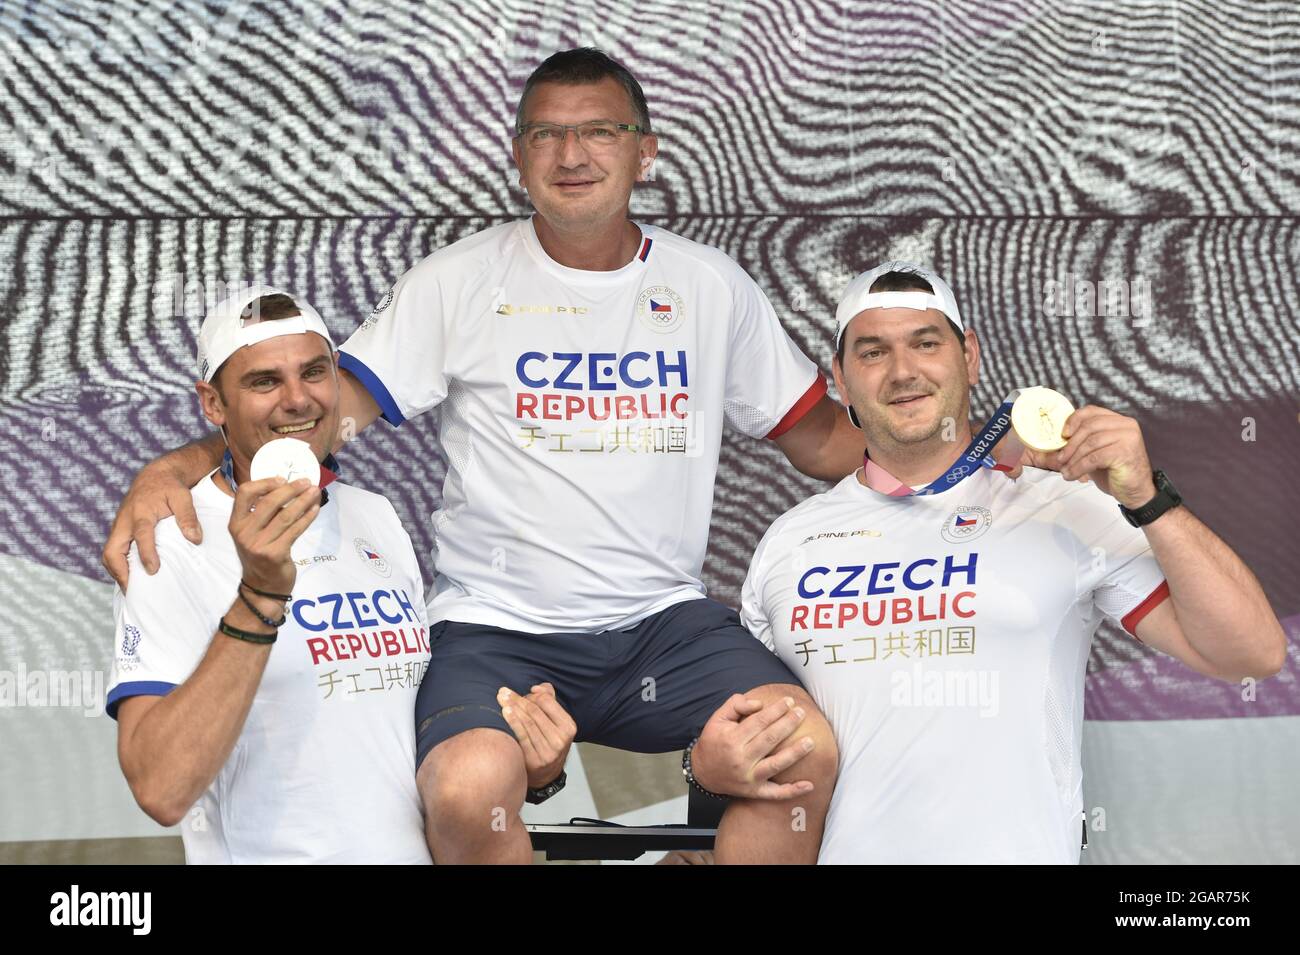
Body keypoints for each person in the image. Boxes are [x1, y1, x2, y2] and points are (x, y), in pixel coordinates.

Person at [101, 49, 866, 864]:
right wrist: (175, 467)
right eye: (546, 135)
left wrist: (974, 453)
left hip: (661, 627)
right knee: (468, 791)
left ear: (646, 151)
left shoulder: (711, 286)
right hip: (498, 627)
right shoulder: (457, 282)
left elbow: (822, 440)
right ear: (517, 154)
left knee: (802, 749)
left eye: (600, 131)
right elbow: (316, 419)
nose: (571, 156)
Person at [740, 261, 1288, 863]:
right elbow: (754, 752)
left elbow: (1251, 654)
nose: (903, 371)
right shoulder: (788, 544)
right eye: (872, 353)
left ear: (969, 356)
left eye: (926, 343)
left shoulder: (1066, 507)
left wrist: (1147, 499)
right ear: (841, 381)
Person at [107, 287, 565, 863]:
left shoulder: (373, 515)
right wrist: (258, 597)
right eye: (264, 381)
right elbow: (161, 788)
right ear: (213, 405)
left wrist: (536, 771)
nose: (298, 400)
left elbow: (402, 744)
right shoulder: (174, 541)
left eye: (314, 372)